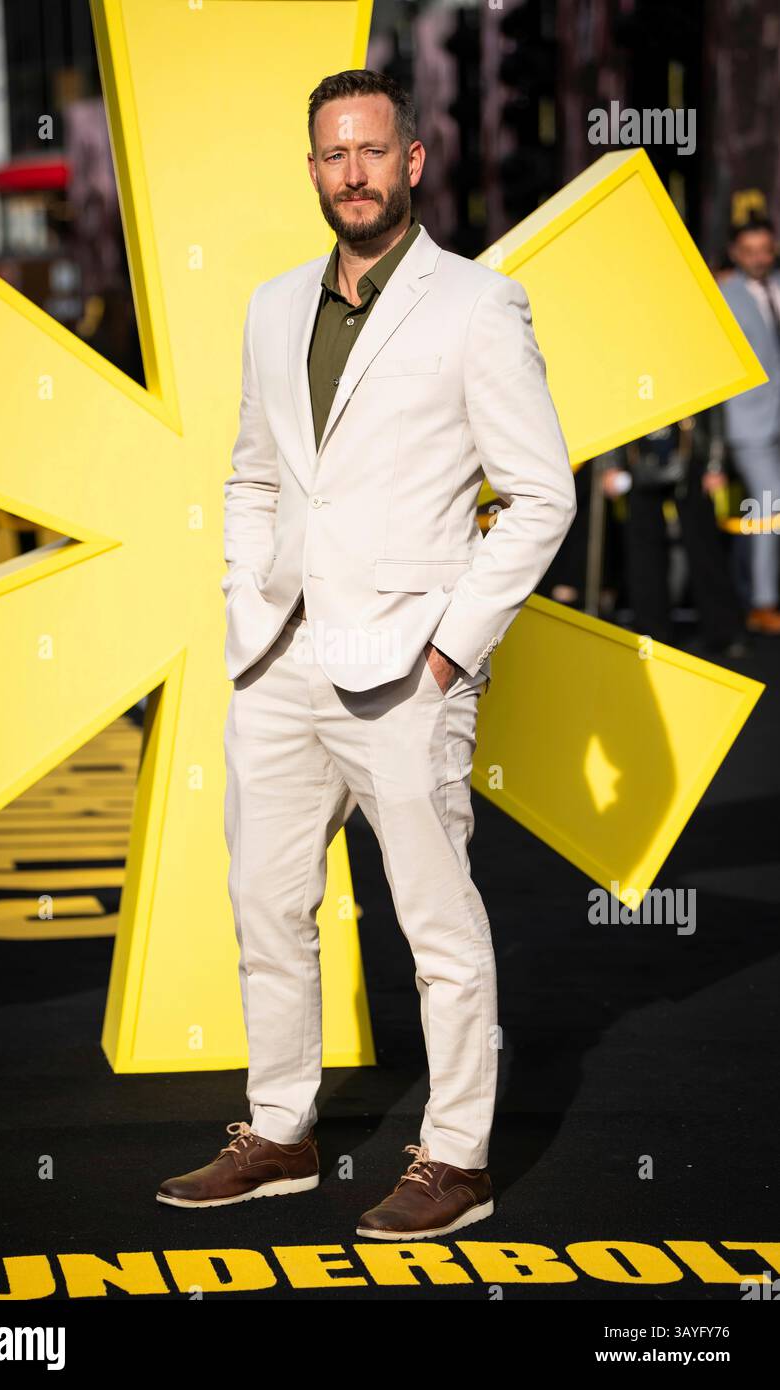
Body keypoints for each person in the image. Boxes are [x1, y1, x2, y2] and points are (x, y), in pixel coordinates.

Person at [157, 69, 576, 1239]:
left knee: (434, 924)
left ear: (412, 162)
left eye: (371, 151)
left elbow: (541, 496)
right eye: (332, 154)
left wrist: (451, 649)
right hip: (280, 661)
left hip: (405, 668)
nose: (352, 172)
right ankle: (279, 1131)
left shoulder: (476, 306)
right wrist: (249, 606)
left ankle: (456, 1159)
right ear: (312, 168)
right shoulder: (271, 304)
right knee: (265, 906)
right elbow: (252, 470)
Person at [598, 409, 748, 658]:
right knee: (643, 551)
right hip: (638, 453)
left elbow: (713, 405)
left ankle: (725, 630)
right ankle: (650, 630)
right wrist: (611, 463)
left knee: (705, 548)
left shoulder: (697, 367)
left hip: (690, 450)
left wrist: (716, 462)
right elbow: (613, 401)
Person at [718, 216, 780, 634]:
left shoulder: (776, 285)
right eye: (751, 251)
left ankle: (754, 590)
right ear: (735, 254)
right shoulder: (723, 294)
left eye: (766, 249)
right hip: (749, 423)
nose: (760, 258)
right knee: (770, 507)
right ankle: (762, 602)